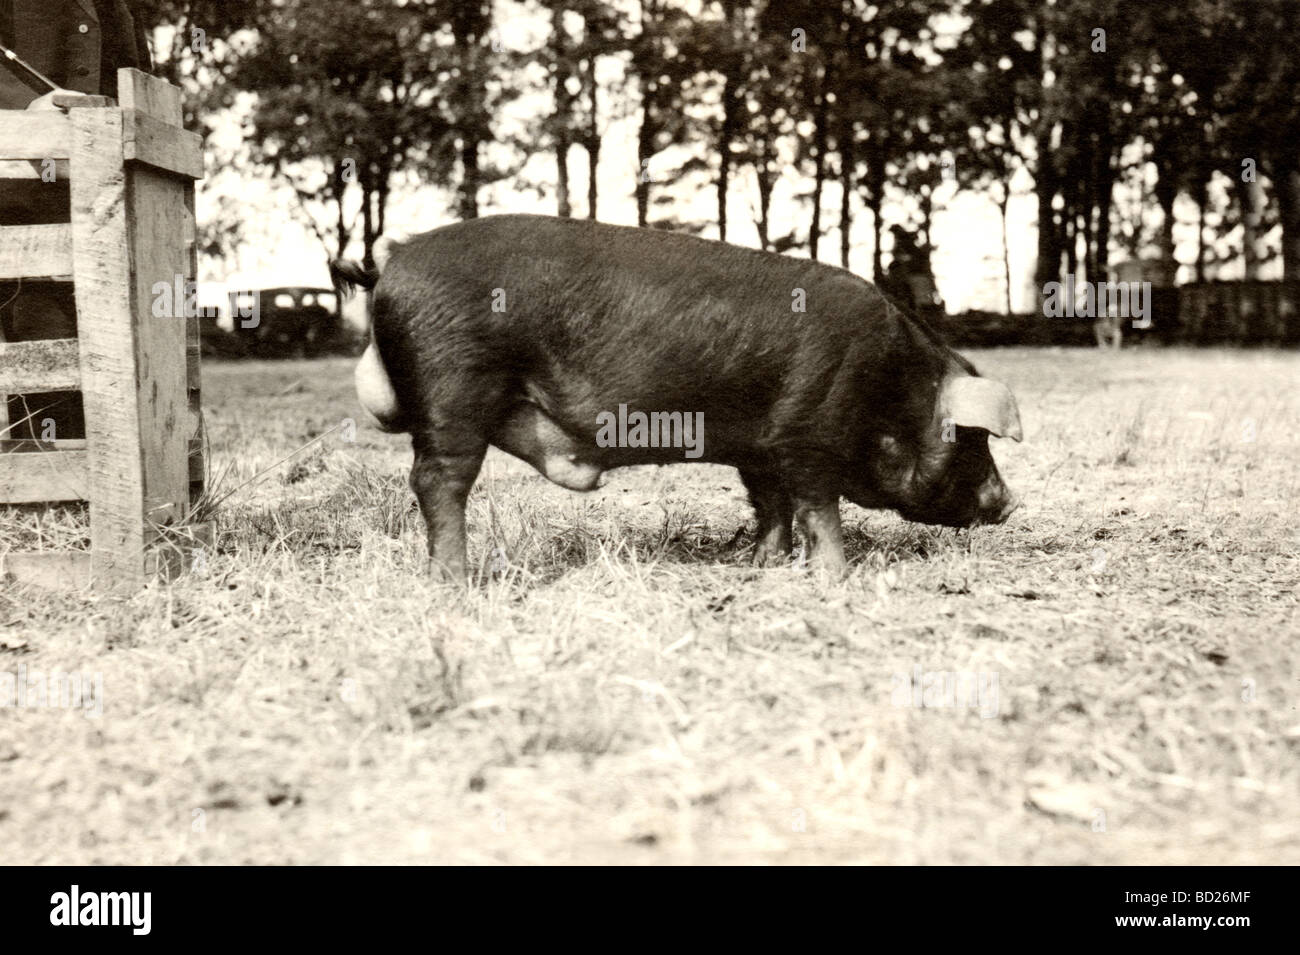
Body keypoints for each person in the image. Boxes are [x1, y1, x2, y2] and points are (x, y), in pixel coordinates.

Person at [0, 1, 151, 442]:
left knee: (106, 340)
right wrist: (25, 108)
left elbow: (135, 70)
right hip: (20, 188)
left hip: (101, 191)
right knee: (42, 336)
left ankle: (102, 479)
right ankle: (55, 488)